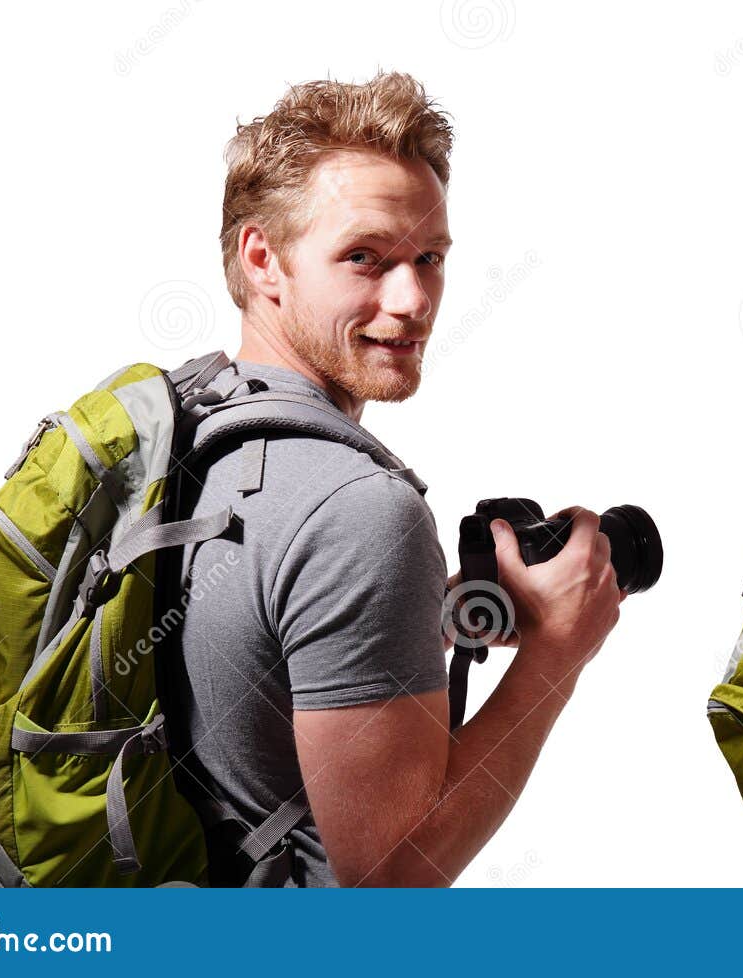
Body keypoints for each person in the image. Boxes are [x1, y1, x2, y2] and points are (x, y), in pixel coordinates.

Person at [163, 73, 624, 886]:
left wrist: (415, 624)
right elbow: (390, 887)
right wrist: (557, 651)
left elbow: (234, 666)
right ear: (263, 259)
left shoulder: (182, 429)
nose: (413, 300)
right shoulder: (358, 511)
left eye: (429, 258)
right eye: (365, 258)